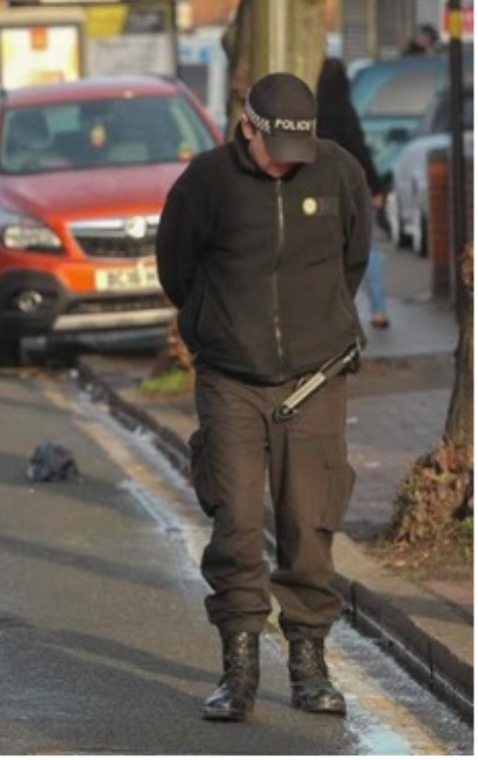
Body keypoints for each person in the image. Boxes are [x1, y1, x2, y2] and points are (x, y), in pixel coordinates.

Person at [156, 72, 371, 722]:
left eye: (296, 151)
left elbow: (353, 260)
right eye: (274, 147)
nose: (285, 164)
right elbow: (177, 269)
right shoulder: (206, 182)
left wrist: (323, 325)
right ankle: (239, 670)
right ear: (245, 127)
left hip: (316, 378)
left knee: (309, 524)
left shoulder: (338, 173)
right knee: (238, 522)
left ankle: (309, 666)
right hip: (231, 380)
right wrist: (213, 328)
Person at [316, 56, 390, 329]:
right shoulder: (345, 111)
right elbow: (359, 149)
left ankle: (331, 310)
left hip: (320, 190)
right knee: (368, 248)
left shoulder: (312, 115)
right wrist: (376, 186)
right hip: (352, 189)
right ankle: (379, 309)